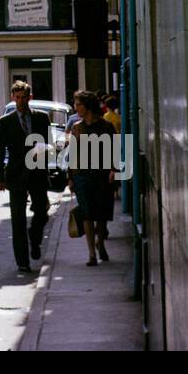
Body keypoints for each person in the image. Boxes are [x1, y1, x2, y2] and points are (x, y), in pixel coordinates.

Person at [0, 80, 50, 274]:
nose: (21, 101)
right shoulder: (5, 121)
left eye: (24, 97)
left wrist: (41, 151)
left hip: (37, 172)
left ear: (30, 98)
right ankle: (22, 262)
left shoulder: (42, 118)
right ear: (12, 98)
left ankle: (34, 238)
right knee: (17, 219)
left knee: (41, 211)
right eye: (17, 97)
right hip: (16, 175)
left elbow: (47, 144)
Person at [67, 90, 114, 265]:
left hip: (101, 176)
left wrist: (113, 169)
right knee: (87, 214)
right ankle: (91, 253)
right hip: (82, 176)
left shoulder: (105, 126)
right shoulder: (76, 128)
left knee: (101, 215)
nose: (75, 107)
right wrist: (70, 178)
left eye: (78, 104)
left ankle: (100, 243)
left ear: (87, 106)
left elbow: (114, 151)